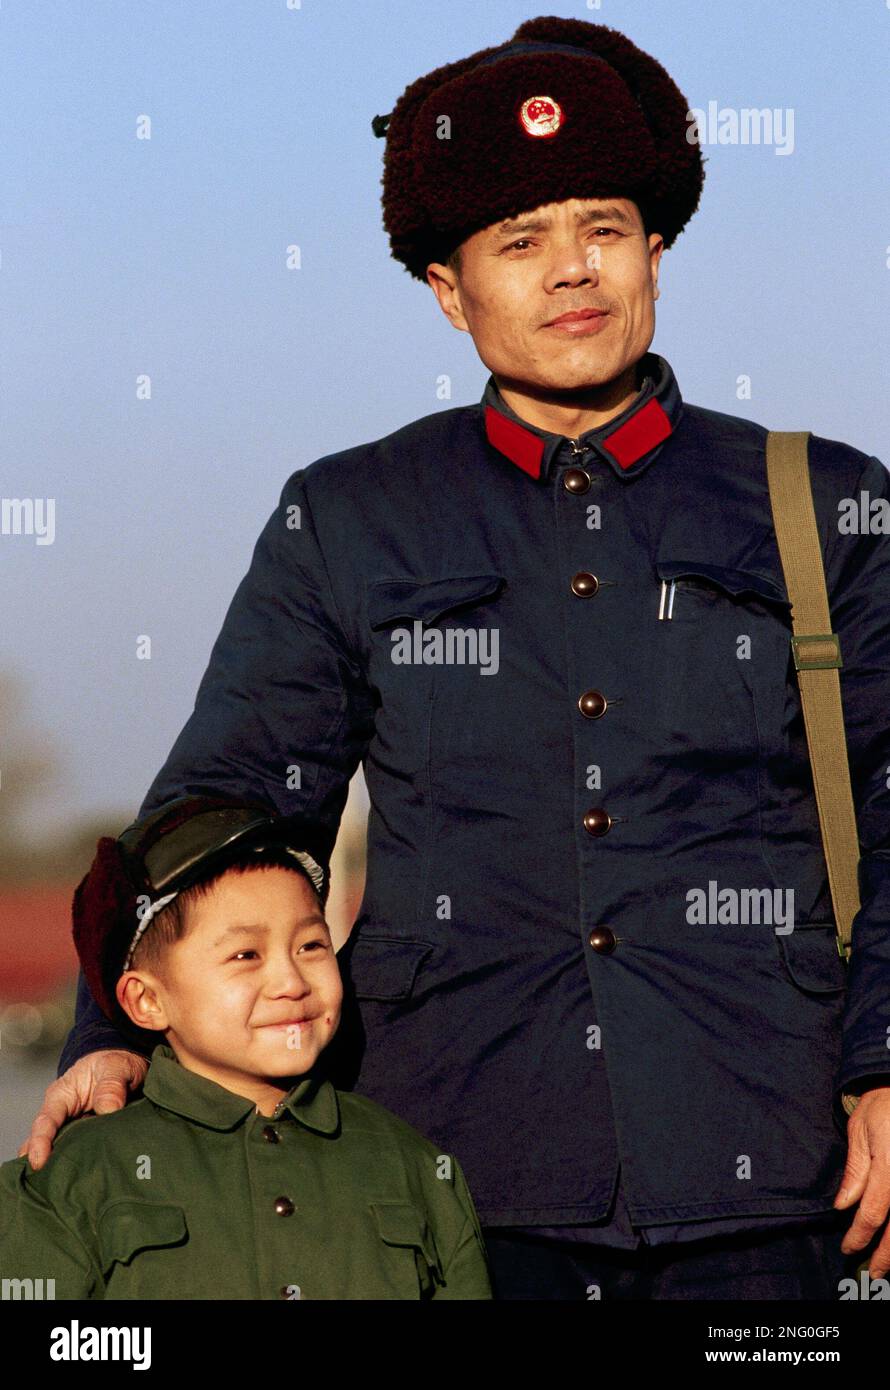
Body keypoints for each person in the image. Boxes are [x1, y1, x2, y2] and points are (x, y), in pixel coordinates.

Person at [22, 16, 890, 1299]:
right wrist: (112, 1030)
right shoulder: (353, 516)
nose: (570, 272)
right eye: (519, 242)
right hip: (447, 1188)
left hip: (775, 1184)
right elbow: (234, 805)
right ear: (448, 288)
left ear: (654, 250)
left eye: (601, 228)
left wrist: (883, 1058)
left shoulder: (824, 506)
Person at [1, 796, 492, 1300]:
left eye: (311, 946)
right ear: (147, 1000)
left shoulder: (414, 1167)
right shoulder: (69, 1182)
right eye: (245, 954)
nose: (291, 981)